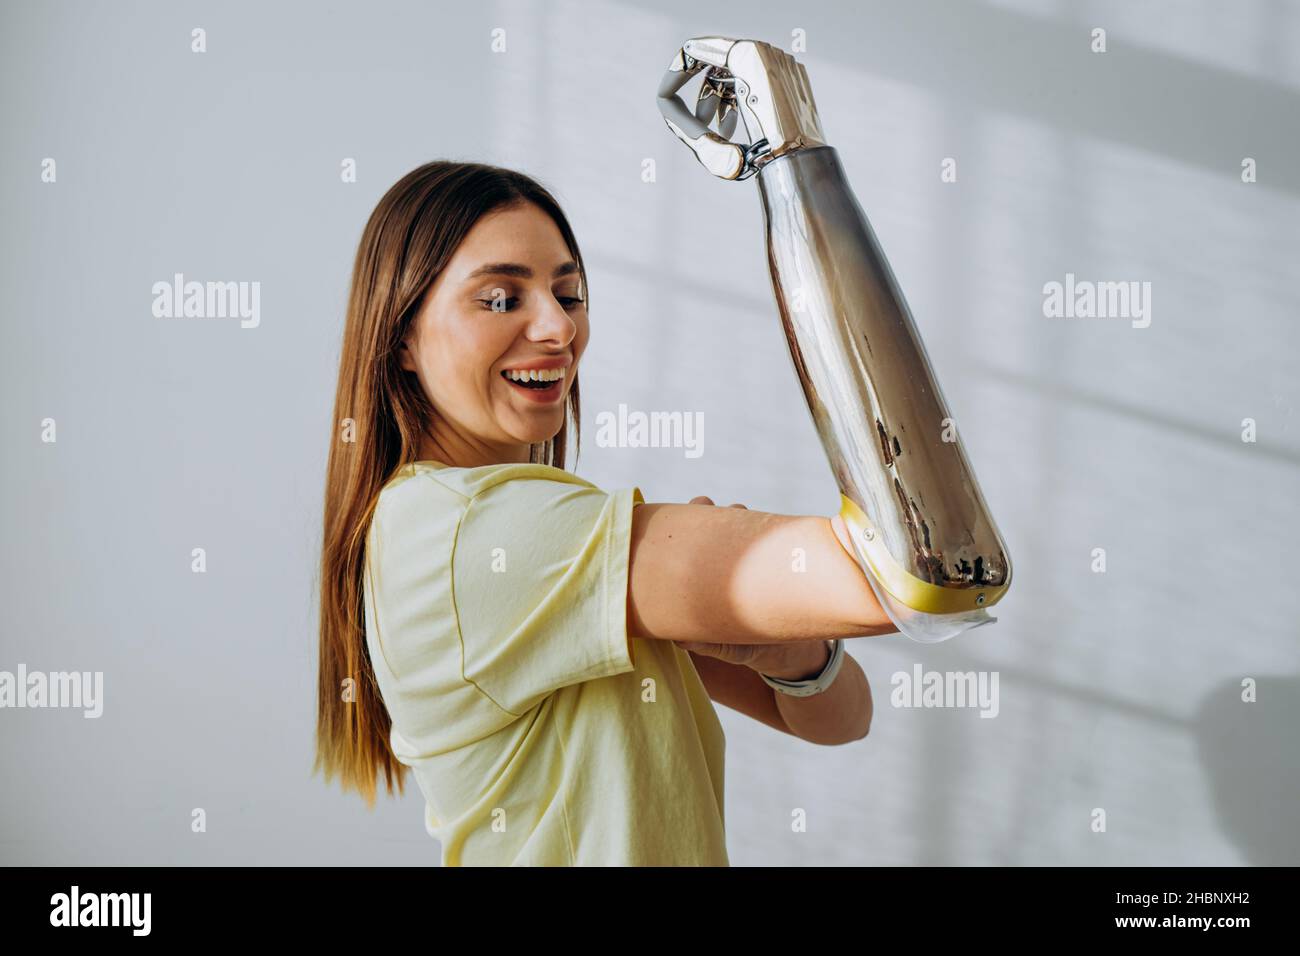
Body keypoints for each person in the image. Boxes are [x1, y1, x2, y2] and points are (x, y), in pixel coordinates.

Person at [314, 160, 893, 866]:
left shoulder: (525, 531)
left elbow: (841, 719)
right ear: (402, 337)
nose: (558, 327)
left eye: (569, 292)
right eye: (500, 299)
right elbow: (888, 576)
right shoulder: (472, 531)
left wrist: (781, 647)